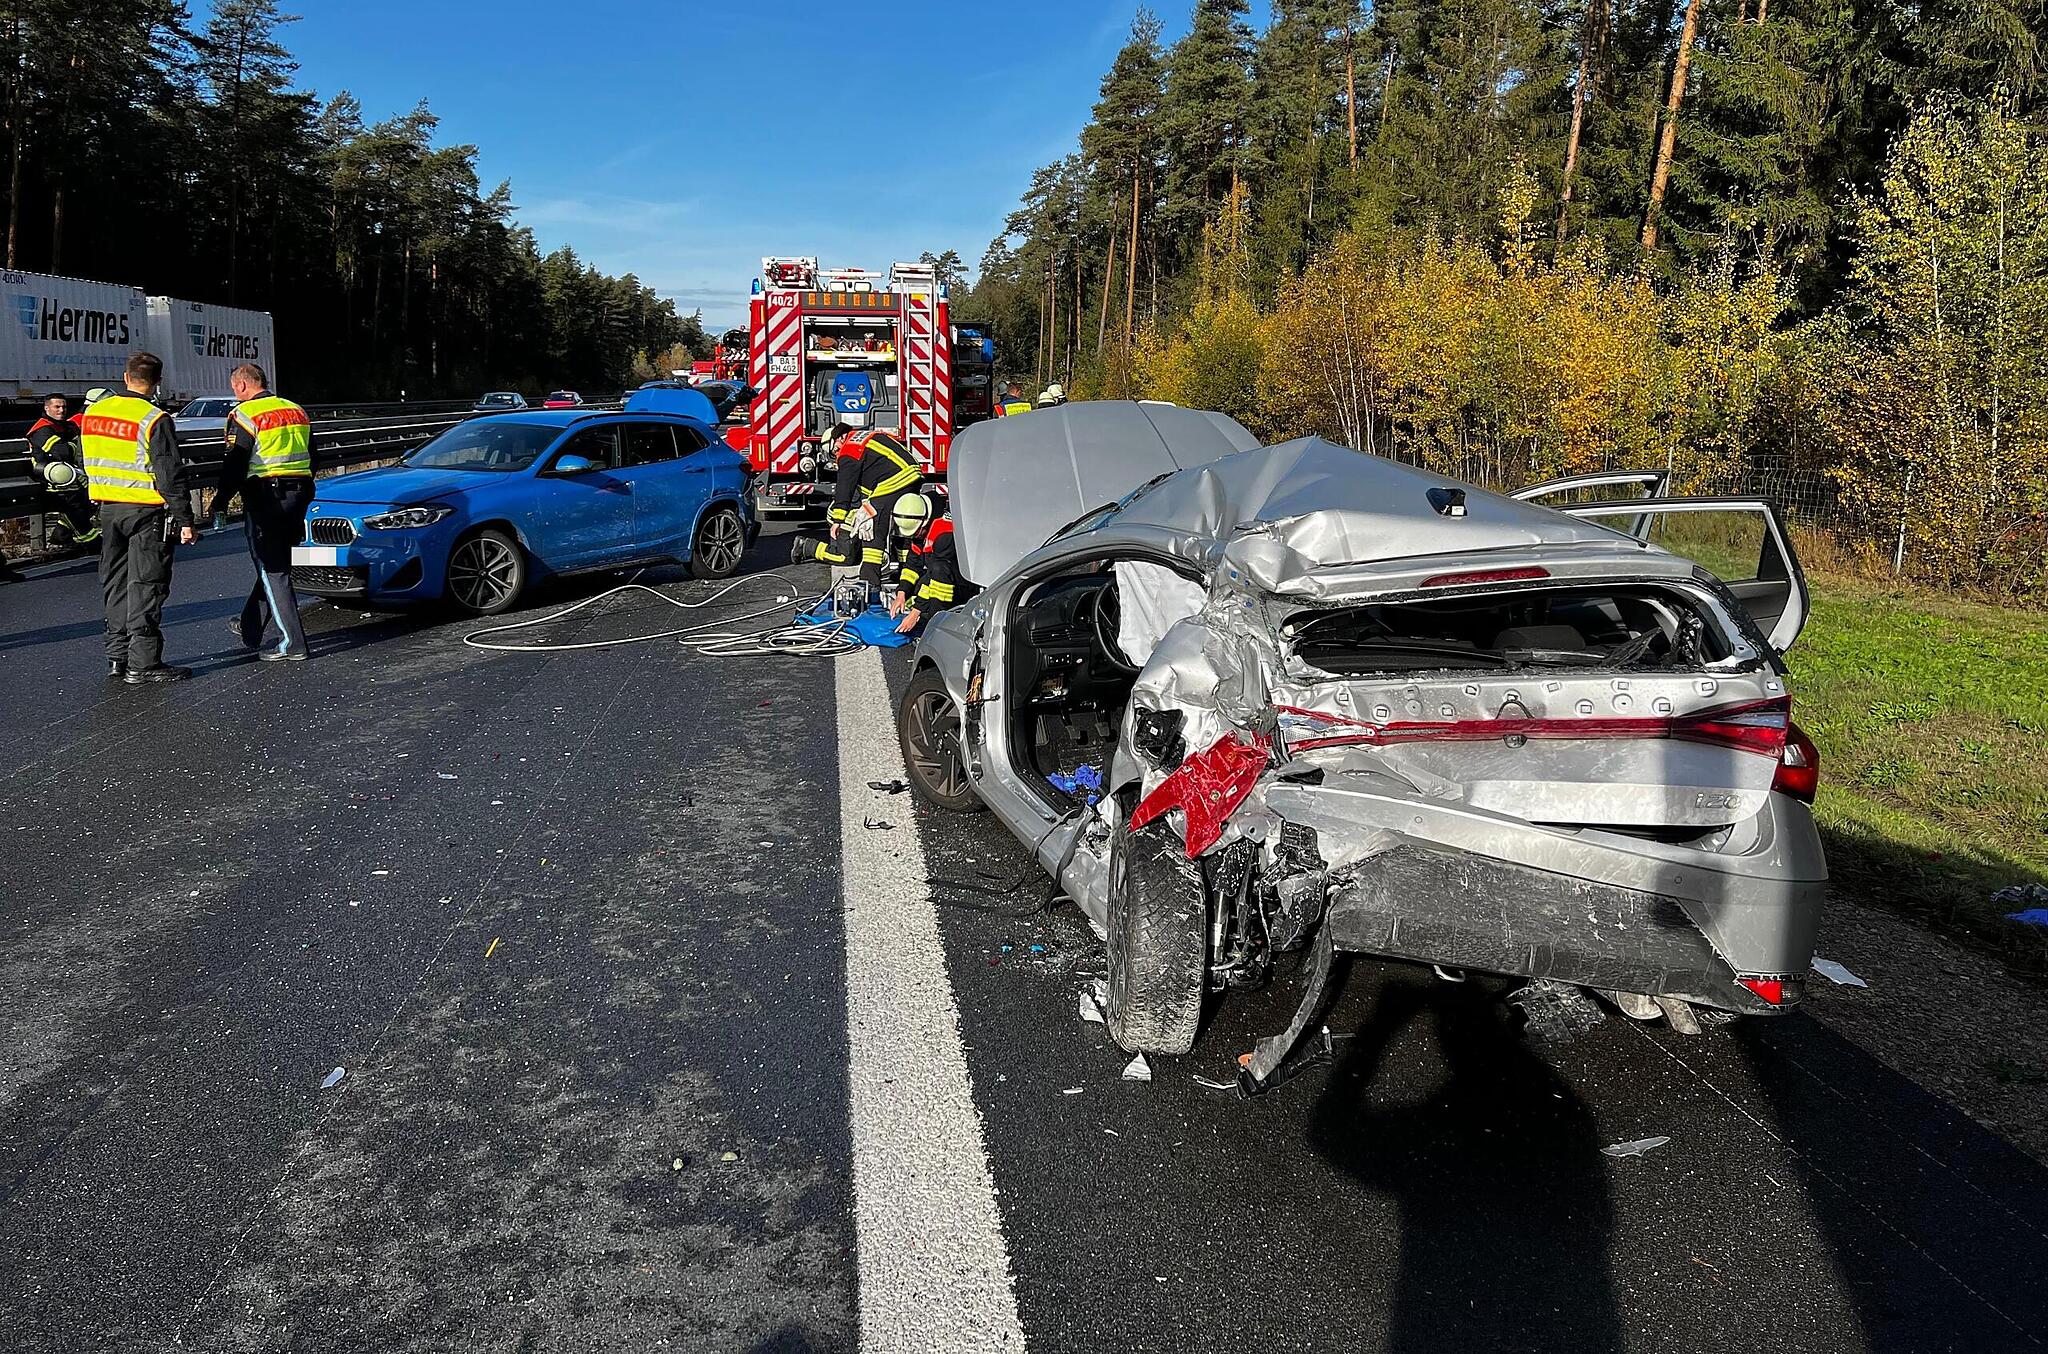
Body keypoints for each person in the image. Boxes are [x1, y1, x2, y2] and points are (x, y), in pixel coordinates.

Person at [82, 353, 198, 684]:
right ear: (157, 382)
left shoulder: (93, 414)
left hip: (107, 509)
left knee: (115, 583)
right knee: (146, 584)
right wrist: (185, 518)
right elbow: (169, 472)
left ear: (125, 377)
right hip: (145, 512)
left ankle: (117, 658)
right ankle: (144, 664)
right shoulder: (154, 418)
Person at [217, 362, 313, 662]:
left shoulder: (244, 414)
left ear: (242, 385)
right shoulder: (296, 409)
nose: (235, 393)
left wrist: (221, 500)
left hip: (266, 496)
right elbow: (315, 453)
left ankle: (292, 644)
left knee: (273, 568)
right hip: (300, 492)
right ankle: (251, 624)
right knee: (279, 562)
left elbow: (236, 462)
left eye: (234, 388)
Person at [789, 423, 923, 588]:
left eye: (835, 450)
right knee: (903, 526)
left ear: (839, 438)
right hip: (913, 476)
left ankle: (869, 584)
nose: (837, 455)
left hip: (893, 481)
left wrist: (838, 520)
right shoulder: (866, 439)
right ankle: (905, 576)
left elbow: (844, 487)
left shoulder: (850, 450)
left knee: (871, 528)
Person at [27, 394, 98, 548]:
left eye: (64, 407)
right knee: (75, 504)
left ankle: (61, 535)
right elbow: (62, 452)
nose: (61, 410)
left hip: (69, 476)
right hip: (49, 480)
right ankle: (89, 541)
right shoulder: (42, 429)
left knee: (93, 496)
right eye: (57, 407)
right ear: (47, 408)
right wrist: (76, 445)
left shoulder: (65, 425)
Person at [884, 491, 961, 633]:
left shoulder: (944, 534)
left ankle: (938, 622)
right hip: (938, 572)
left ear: (924, 522)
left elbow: (934, 575)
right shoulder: (921, 526)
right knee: (918, 586)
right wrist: (902, 592)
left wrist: (915, 612)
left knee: (938, 572)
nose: (913, 535)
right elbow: (912, 565)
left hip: (960, 582)